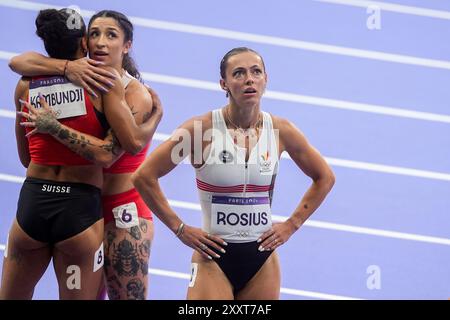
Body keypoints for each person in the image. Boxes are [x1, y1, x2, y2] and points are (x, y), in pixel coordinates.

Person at [132, 47, 335, 299]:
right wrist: (180, 228)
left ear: (265, 79)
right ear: (223, 84)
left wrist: (292, 224)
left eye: (256, 72)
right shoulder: (199, 131)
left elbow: (325, 177)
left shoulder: (281, 131)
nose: (249, 79)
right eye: (238, 73)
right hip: (213, 258)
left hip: (262, 260)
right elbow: (143, 176)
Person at [9, 10, 163, 300]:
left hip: (120, 211)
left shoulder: (133, 93)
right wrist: (67, 68)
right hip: (82, 204)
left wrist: (154, 119)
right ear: (84, 41)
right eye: (95, 34)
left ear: (126, 45)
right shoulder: (78, 77)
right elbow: (17, 62)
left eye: (111, 35)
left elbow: (122, 147)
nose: (101, 43)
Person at [0, 8, 110, 299]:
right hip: (80, 209)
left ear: (46, 44)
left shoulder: (25, 85)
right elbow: (119, 149)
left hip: (34, 204)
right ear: (84, 42)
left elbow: (26, 158)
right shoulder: (100, 86)